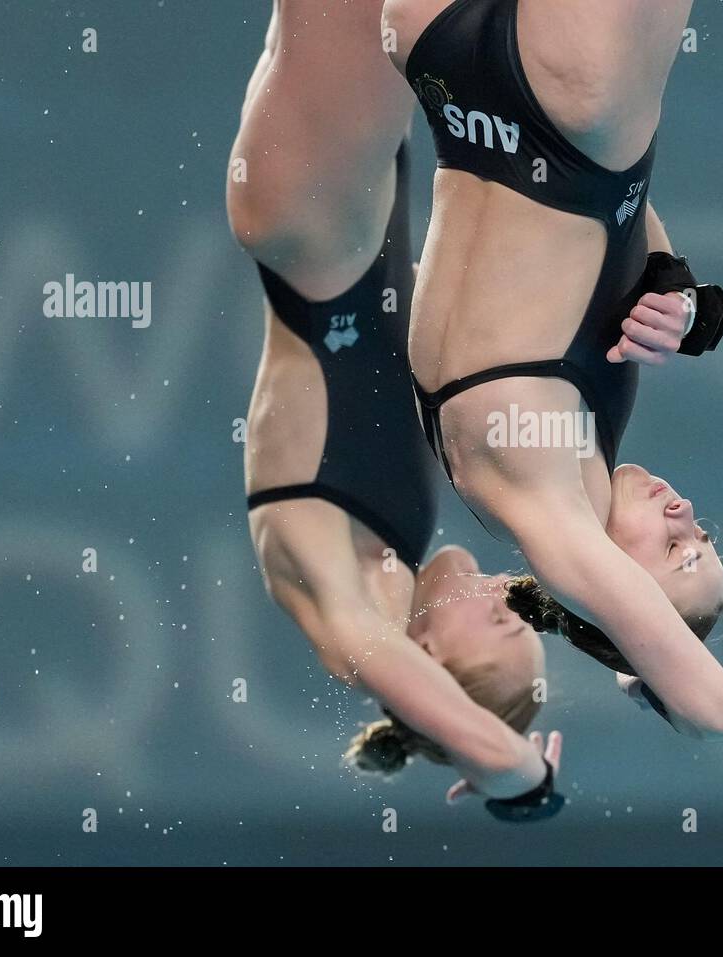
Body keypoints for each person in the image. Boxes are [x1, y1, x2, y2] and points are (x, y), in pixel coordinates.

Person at [226, 0, 562, 815]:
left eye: (501, 630)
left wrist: (520, 776)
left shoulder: (344, 606)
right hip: (344, 214)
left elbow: (409, 686)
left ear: (425, 655)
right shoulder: (395, 548)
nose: (505, 603)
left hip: (318, 228)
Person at [384, 0, 723, 739]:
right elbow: (596, 224)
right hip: (443, 59)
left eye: (677, 552)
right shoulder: (554, 441)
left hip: (574, 95)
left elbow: (719, 714)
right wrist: (679, 294)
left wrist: (637, 673)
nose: (684, 513)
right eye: (702, 532)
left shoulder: (549, 508)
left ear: (615, 604)